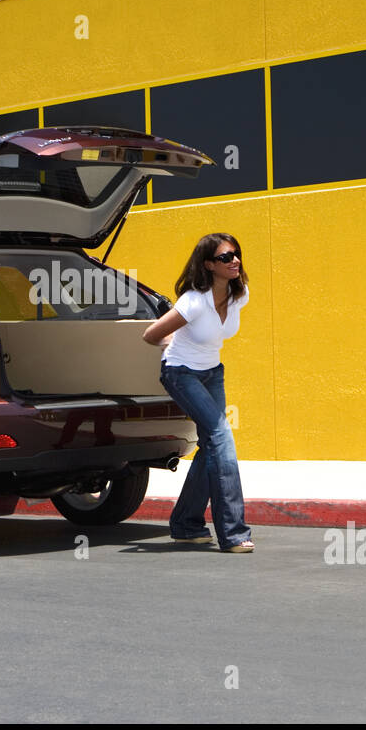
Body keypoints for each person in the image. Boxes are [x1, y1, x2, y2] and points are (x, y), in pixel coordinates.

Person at [142, 233, 254, 553]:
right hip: (180, 373)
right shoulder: (194, 300)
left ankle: (186, 525)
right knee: (221, 437)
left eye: (236, 254)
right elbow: (151, 335)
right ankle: (233, 533)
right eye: (225, 257)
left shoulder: (239, 294)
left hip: (212, 373)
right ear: (209, 265)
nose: (234, 260)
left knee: (210, 446)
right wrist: (173, 345)